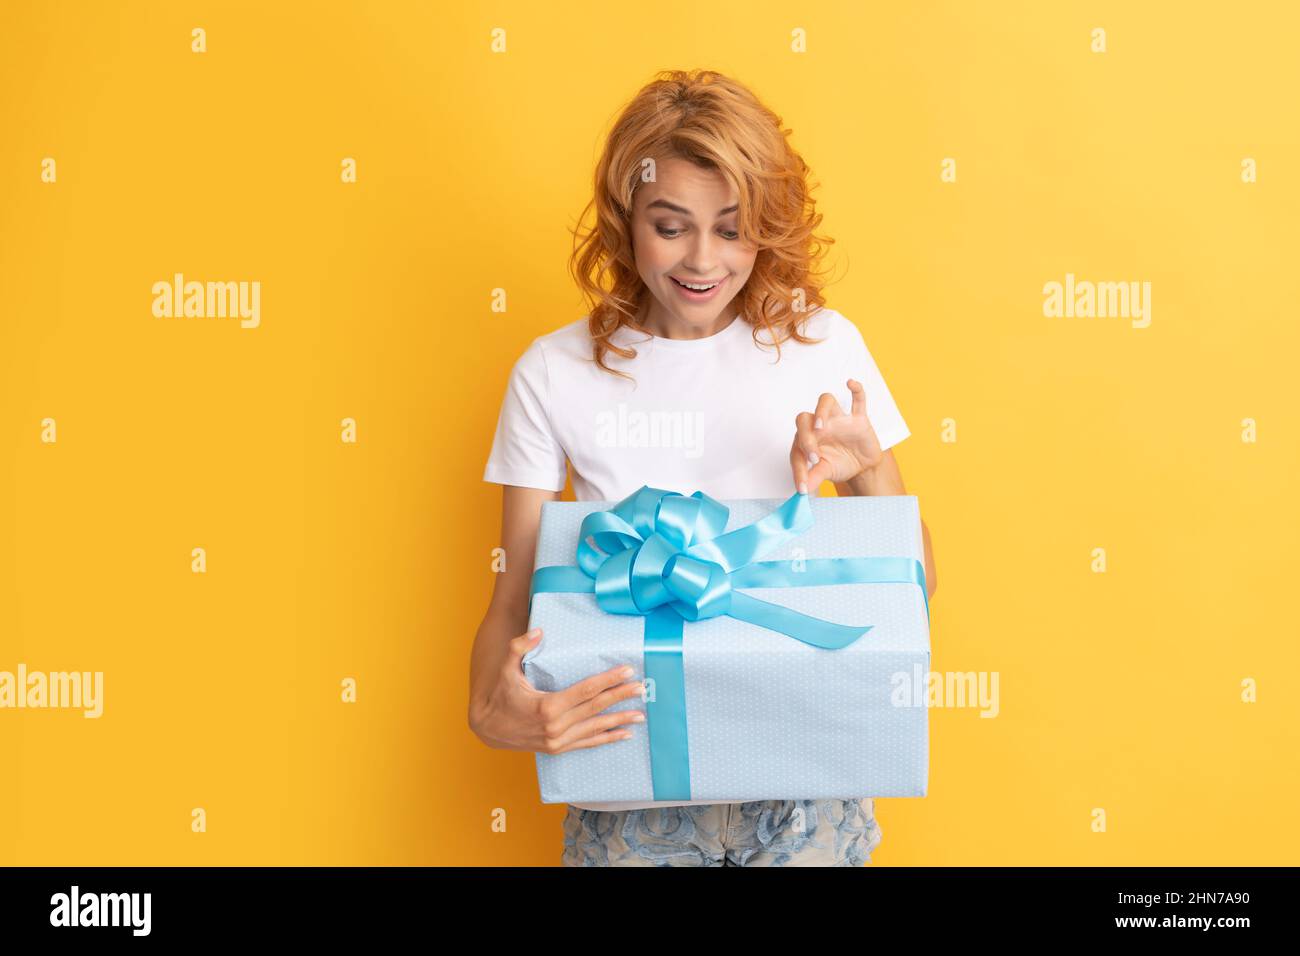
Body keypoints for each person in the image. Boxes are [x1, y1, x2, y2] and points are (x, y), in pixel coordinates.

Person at [469, 69, 937, 866]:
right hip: (627, 801)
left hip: (806, 798)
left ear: (766, 225)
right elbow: (515, 592)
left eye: (731, 228)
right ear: (626, 220)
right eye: (671, 225)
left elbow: (912, 593)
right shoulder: (553, 372)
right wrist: (490, 710)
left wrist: (866, 474)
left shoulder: (822, 346)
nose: (702, 260)